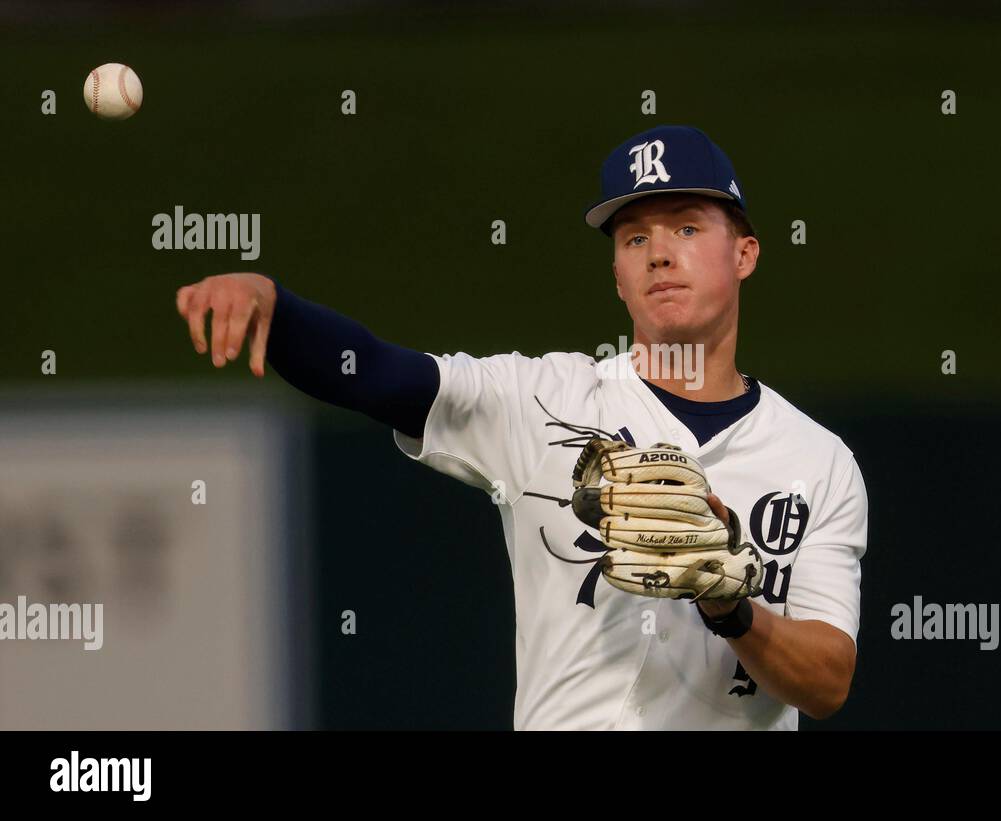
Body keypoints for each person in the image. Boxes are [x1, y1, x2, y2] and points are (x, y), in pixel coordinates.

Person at [174, 125, 869, 730]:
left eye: (686, 226)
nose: (659, 252)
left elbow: (828, 680)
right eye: (634, 237)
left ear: (744, 254)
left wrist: (729, 604)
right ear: (619, 278)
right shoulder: (543, 400)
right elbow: (384, 376)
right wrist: (278, 306)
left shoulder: (817, 459)